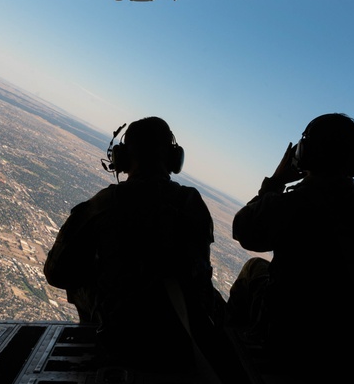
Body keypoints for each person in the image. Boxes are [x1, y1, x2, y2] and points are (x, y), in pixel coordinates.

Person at [228, 113, 354, 379]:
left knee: (254, 268)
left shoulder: (286, 206)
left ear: (304, 153)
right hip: (352, 352)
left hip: (291, 342)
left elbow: (242, 230)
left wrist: (276, 182)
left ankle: (232, 350)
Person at [44, 117, 222, 365]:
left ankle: (92, 336)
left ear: (122, 158)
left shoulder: (104, 204)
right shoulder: (192, 202)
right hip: (184, 337)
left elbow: (57, 273)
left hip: (124, 336)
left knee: (78, 279)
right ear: (173, 159)